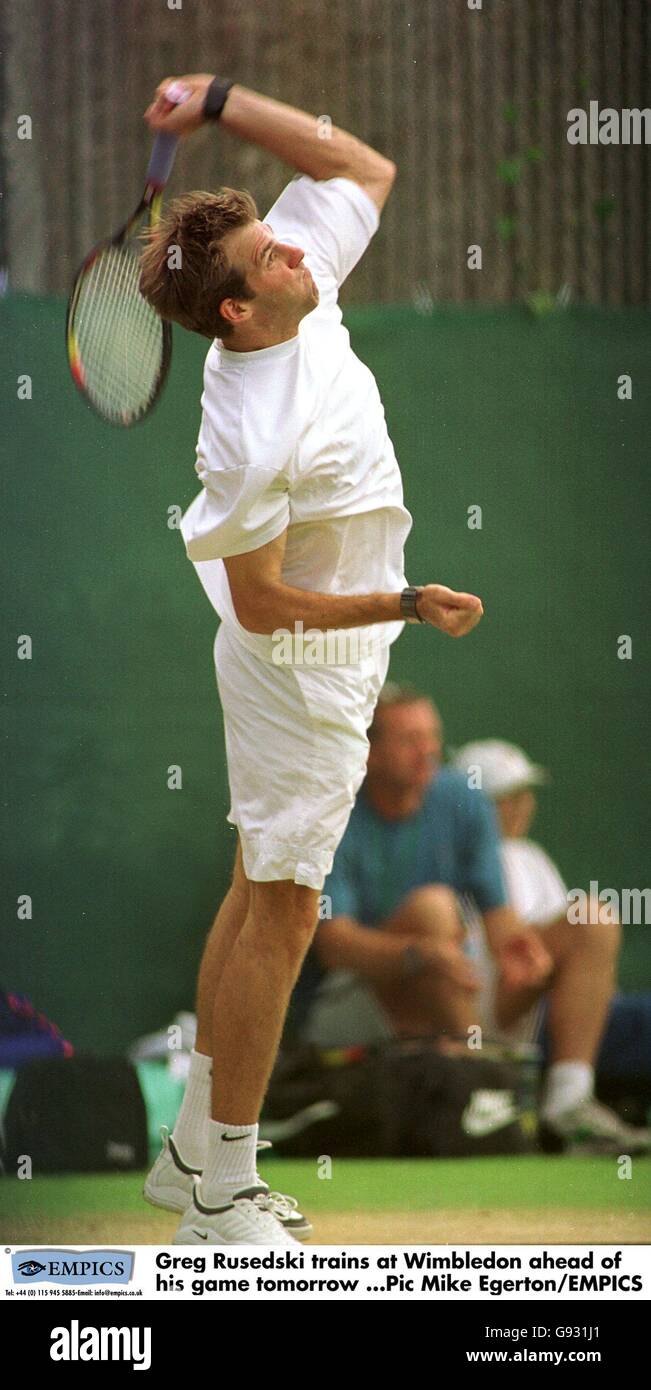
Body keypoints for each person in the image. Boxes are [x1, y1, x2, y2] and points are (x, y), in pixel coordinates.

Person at [138, 73, 484, 1245]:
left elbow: (363, 170)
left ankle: (192, 1151)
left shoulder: (295, 275)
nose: (293, 248)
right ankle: (227, 1193)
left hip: (331, 650)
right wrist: (400, 599)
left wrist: (225, 101)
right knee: (286, 910)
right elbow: (261, 595)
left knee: (256, 890)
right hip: (297, 662)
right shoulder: (247, 427)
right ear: (233, 312)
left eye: (278, 232)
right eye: (265, 254)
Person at [297, 688, 649, 1152]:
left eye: (433, 738)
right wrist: (421, 953)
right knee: (433, 908)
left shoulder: (461, 797)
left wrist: (516, 948)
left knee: (592, 919)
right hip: (363, 1001)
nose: (427, 752)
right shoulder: (334, 811)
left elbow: (498, 918)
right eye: (409, 740)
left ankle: (568, 1103)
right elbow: (333, 944)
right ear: (369, 752)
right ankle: (492, 1089)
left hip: (463, 987)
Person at [452, 739, 651, 1152]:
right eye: (508, 798)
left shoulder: (531, 857)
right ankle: (567, 1102)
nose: (523, 806)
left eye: (525, 795)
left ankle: (571, 1104)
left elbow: (561, 955)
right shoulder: (454, 853)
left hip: (536, 1016)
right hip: (476, 1012)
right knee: (592, 919)